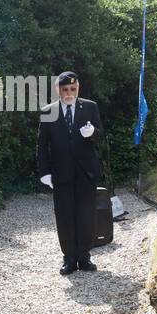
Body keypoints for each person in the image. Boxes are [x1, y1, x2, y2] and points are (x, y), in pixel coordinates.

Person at [37, 71, 105, 275]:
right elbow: (42, 145)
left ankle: (84, 257)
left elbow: (101, 135)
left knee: (86, 215)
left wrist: (93, 133)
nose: (69, 93)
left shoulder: (90, 107)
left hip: (86, 172)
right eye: (65, 89)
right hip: (61, 173)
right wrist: (44, 172)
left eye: (73, 89)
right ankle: (69, 258)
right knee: (64, 216)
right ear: (58, 90)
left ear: (78, 88)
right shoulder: (48, 111)